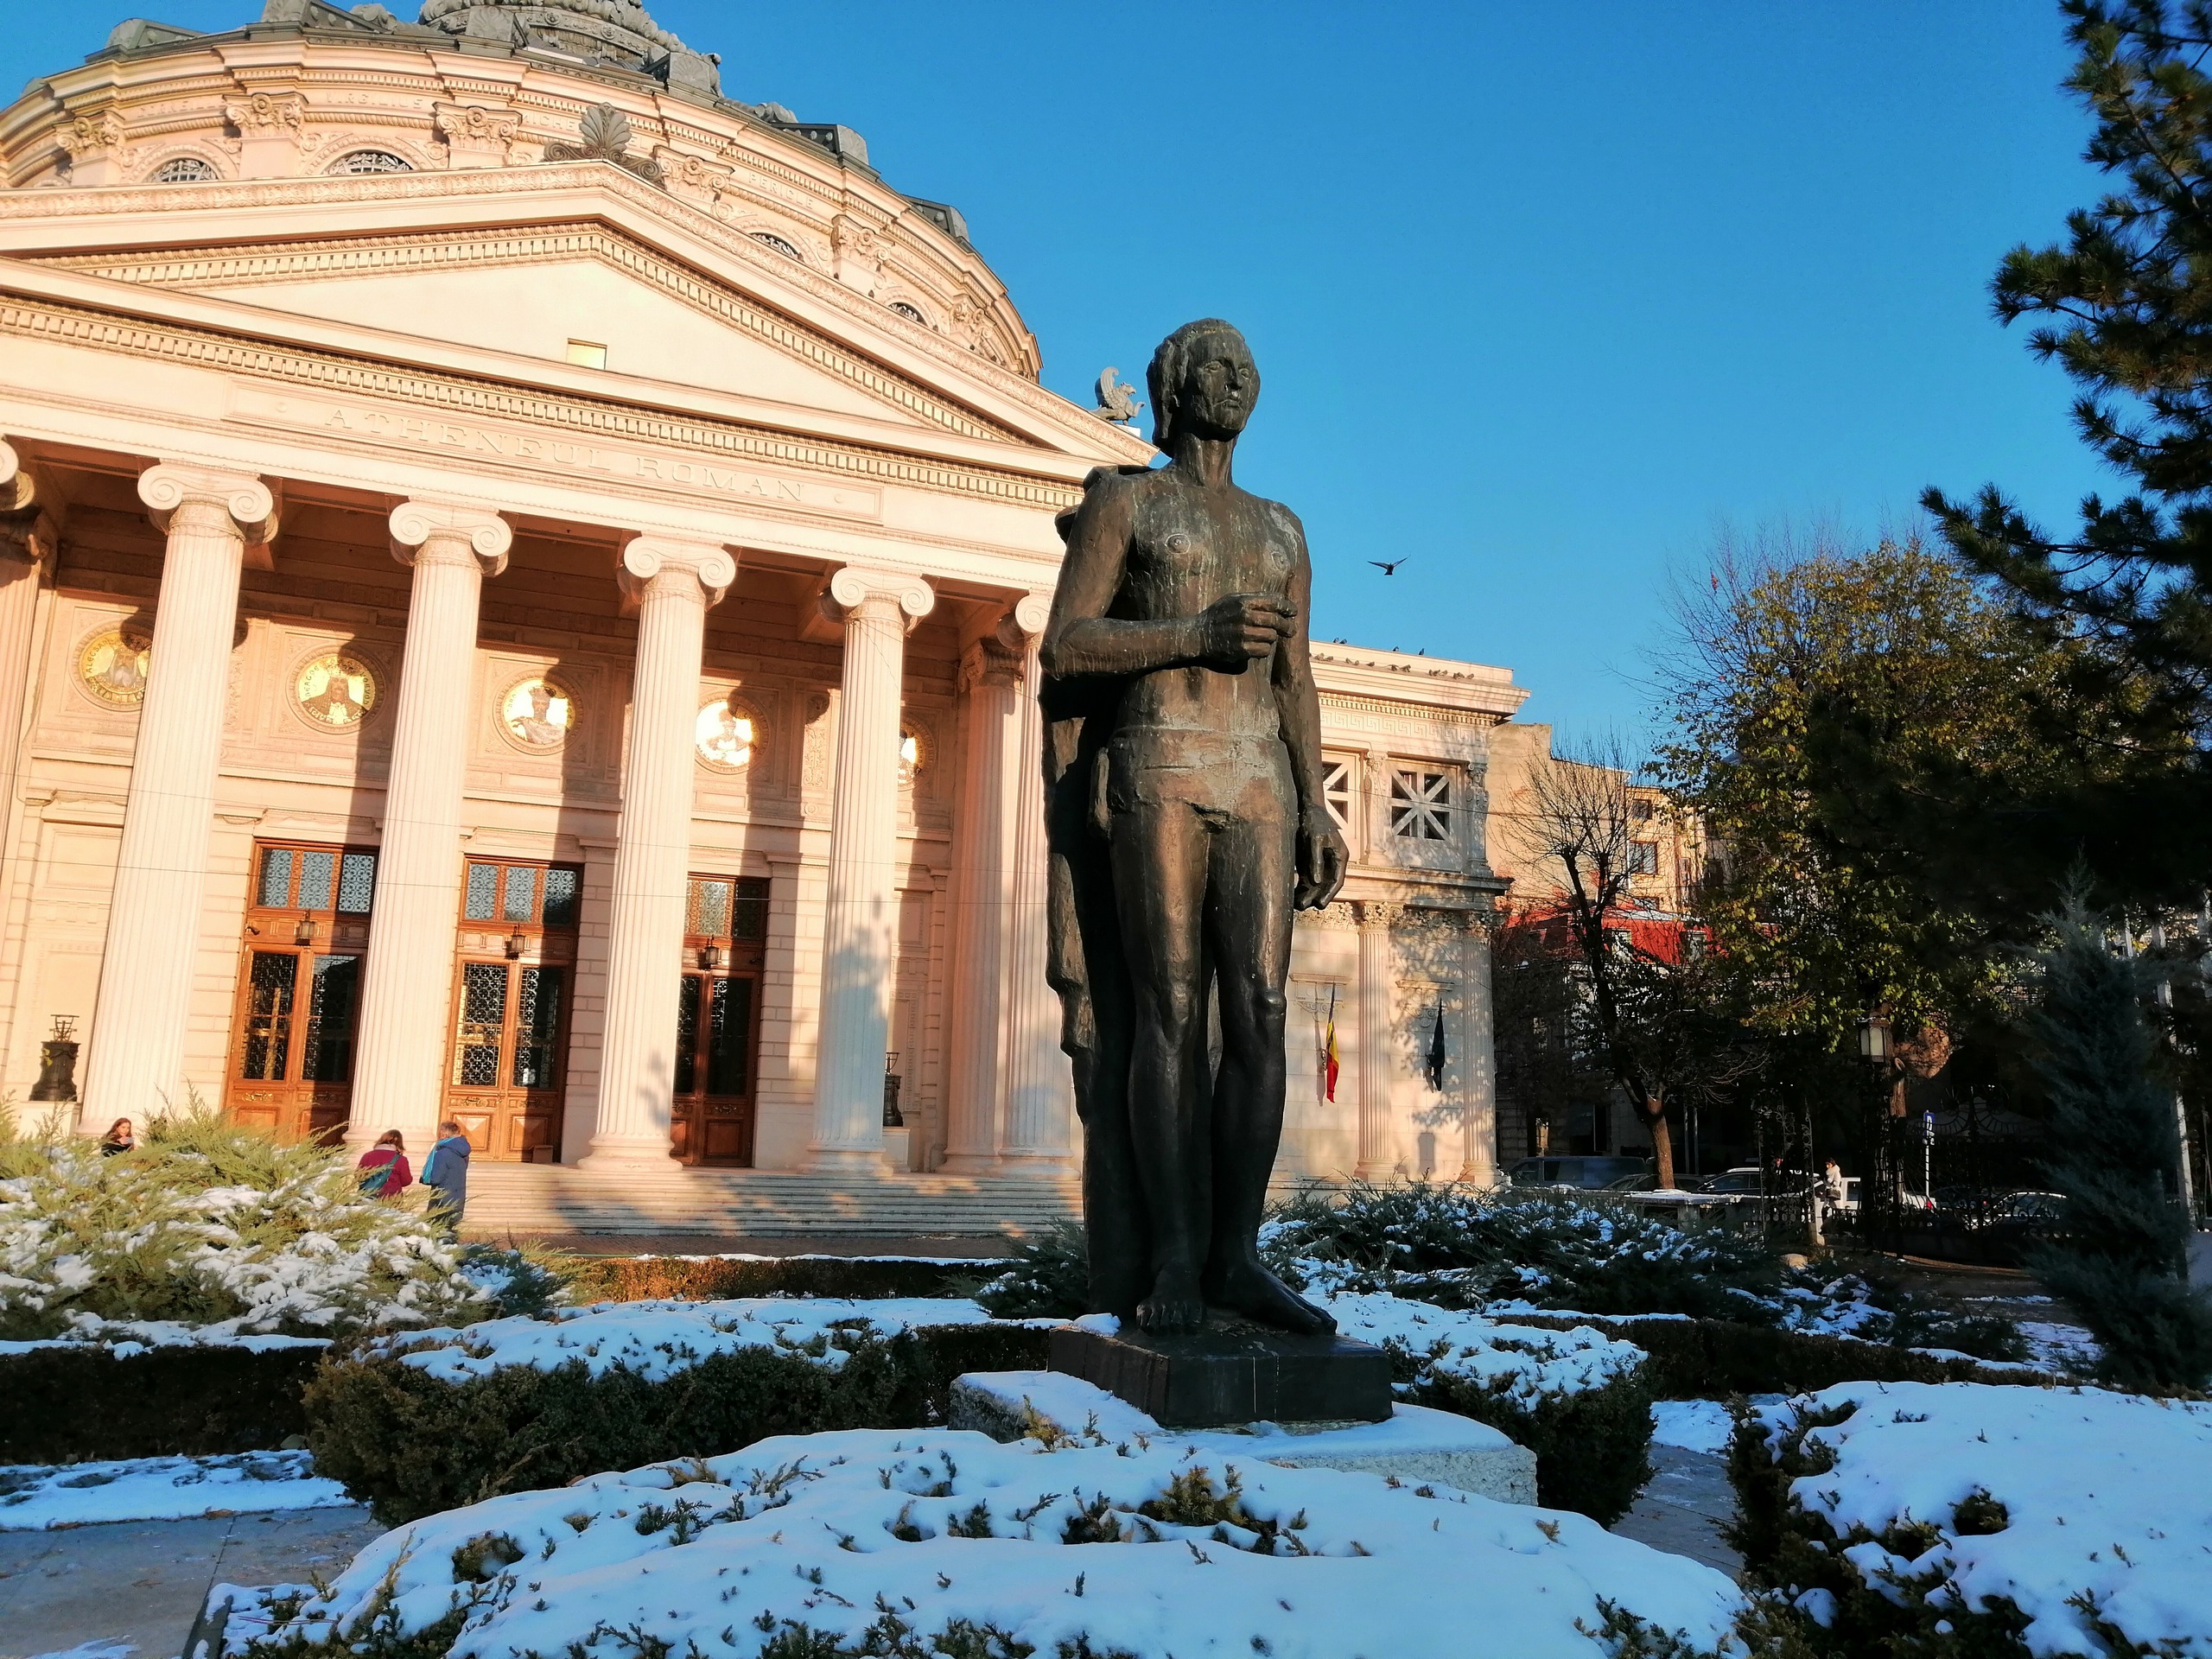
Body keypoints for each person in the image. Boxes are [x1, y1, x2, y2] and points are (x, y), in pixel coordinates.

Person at [1041, 319, 1348, 1335]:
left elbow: (1297, 680)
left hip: (1260, 777)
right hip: (1159, 764)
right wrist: (1192, 634)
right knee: (1168, 1009)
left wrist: (1316, 803)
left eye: (1246, 370)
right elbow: (1065, 647)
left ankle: (1236, 1257)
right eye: (1214, 368)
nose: (1235, 382)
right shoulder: (1128, 503)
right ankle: (1170, 1257)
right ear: (1174, 390)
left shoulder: (1281, 527)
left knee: (1260, 1011)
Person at [421, 1120, 472, 1236]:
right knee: (449, 1229)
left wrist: (427, 1178)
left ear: (444, 1134)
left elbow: (436, 1177)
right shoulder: (462, 1151)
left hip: (442, 1196)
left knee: (436, 1230)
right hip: (457, 1193)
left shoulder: (443, 1153)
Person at [356, 1130, 411, 1198]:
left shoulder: (367, 1156)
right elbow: (406, 1181)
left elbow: (358, 1176)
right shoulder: (401, 1159)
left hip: (368, 1196)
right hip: (391, 1198)